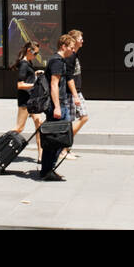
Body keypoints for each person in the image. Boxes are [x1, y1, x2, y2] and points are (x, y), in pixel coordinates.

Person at [40, 33, 79, 182]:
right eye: (70, 47)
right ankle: (47, 170)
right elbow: (54, 85)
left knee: (58, 138)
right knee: (55, 139)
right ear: (63, 46)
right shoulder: (57, 62)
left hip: (60, 104)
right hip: (57, 105)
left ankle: (48, 169)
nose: (72, 50)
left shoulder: (59, 60)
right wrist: (57, 107)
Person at [11, 41, 45, 162]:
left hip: (32, 99)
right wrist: (34, 84)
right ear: (29, 51)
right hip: (25, 100)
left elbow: (28, 78)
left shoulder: (29, 62)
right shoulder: (23, 64)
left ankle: (41, 155)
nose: (36, 56)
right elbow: (20, 85)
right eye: (36, 53)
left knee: (39, 123)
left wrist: (35, 74)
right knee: (19, 128)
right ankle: (2, 146)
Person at [63, 30, 88, 160]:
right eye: (80, 38)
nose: (82, 40)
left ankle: (66, 147)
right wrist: (75, 95)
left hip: (76, 92)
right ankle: (63, 148)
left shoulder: (75, 55)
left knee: (83, 117)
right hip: (72, 93)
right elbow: (69, 77)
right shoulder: (71, 56)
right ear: (74, 40)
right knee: (74, 119)